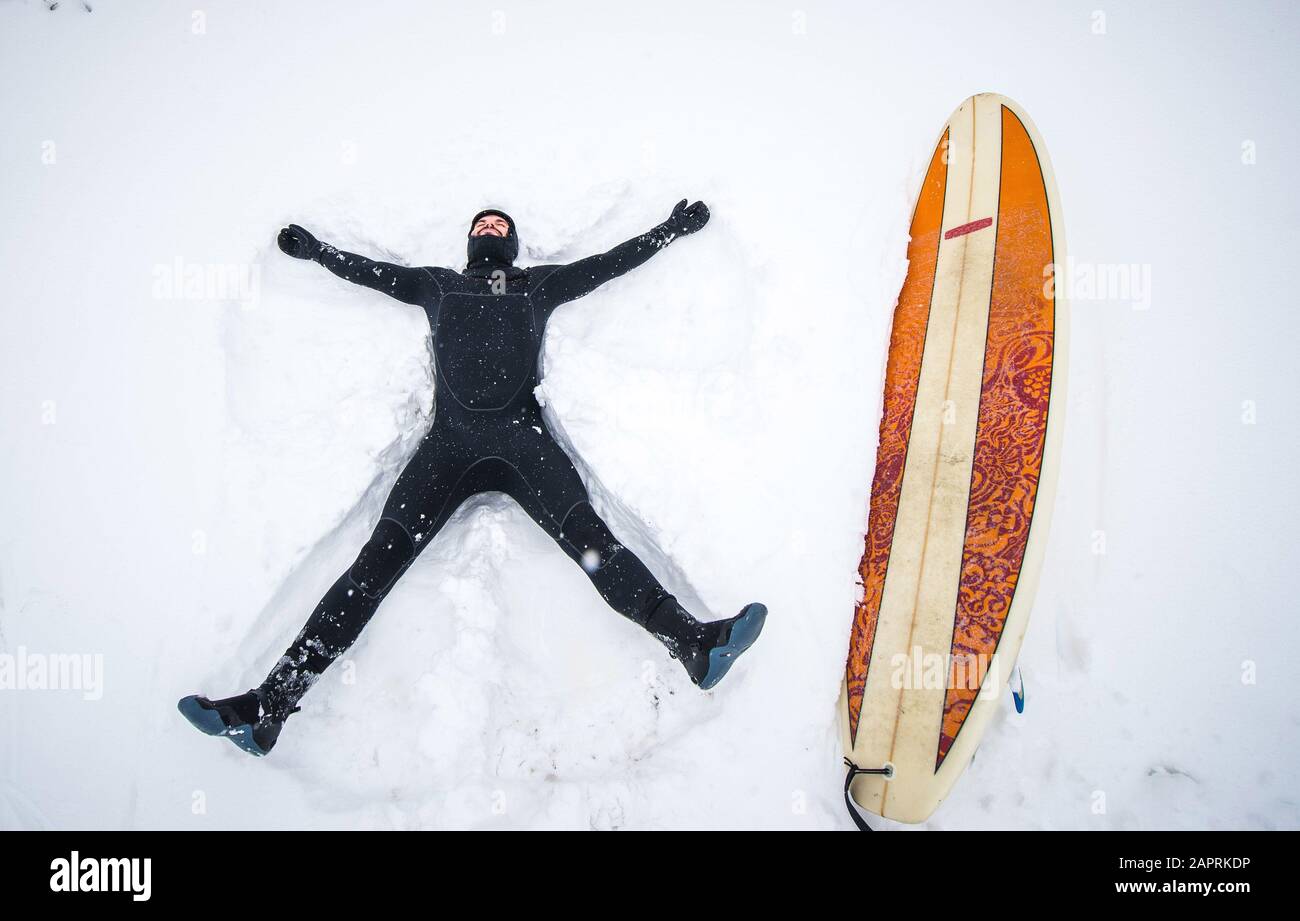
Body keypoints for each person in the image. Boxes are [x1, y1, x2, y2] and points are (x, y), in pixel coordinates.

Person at [178, 201, 767, 756]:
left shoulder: (538, 285)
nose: (489, 228)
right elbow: (375, 274)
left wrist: (668, 229)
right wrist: (318, 253)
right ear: (468, 240)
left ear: (511, 243)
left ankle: (692, 642)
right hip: (448, 449)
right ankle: (268, 706)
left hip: (522, 444)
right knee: (374, 563)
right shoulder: (438, 285)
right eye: (481, 223)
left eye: (498, 225)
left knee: (593, 542)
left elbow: (608, 264)